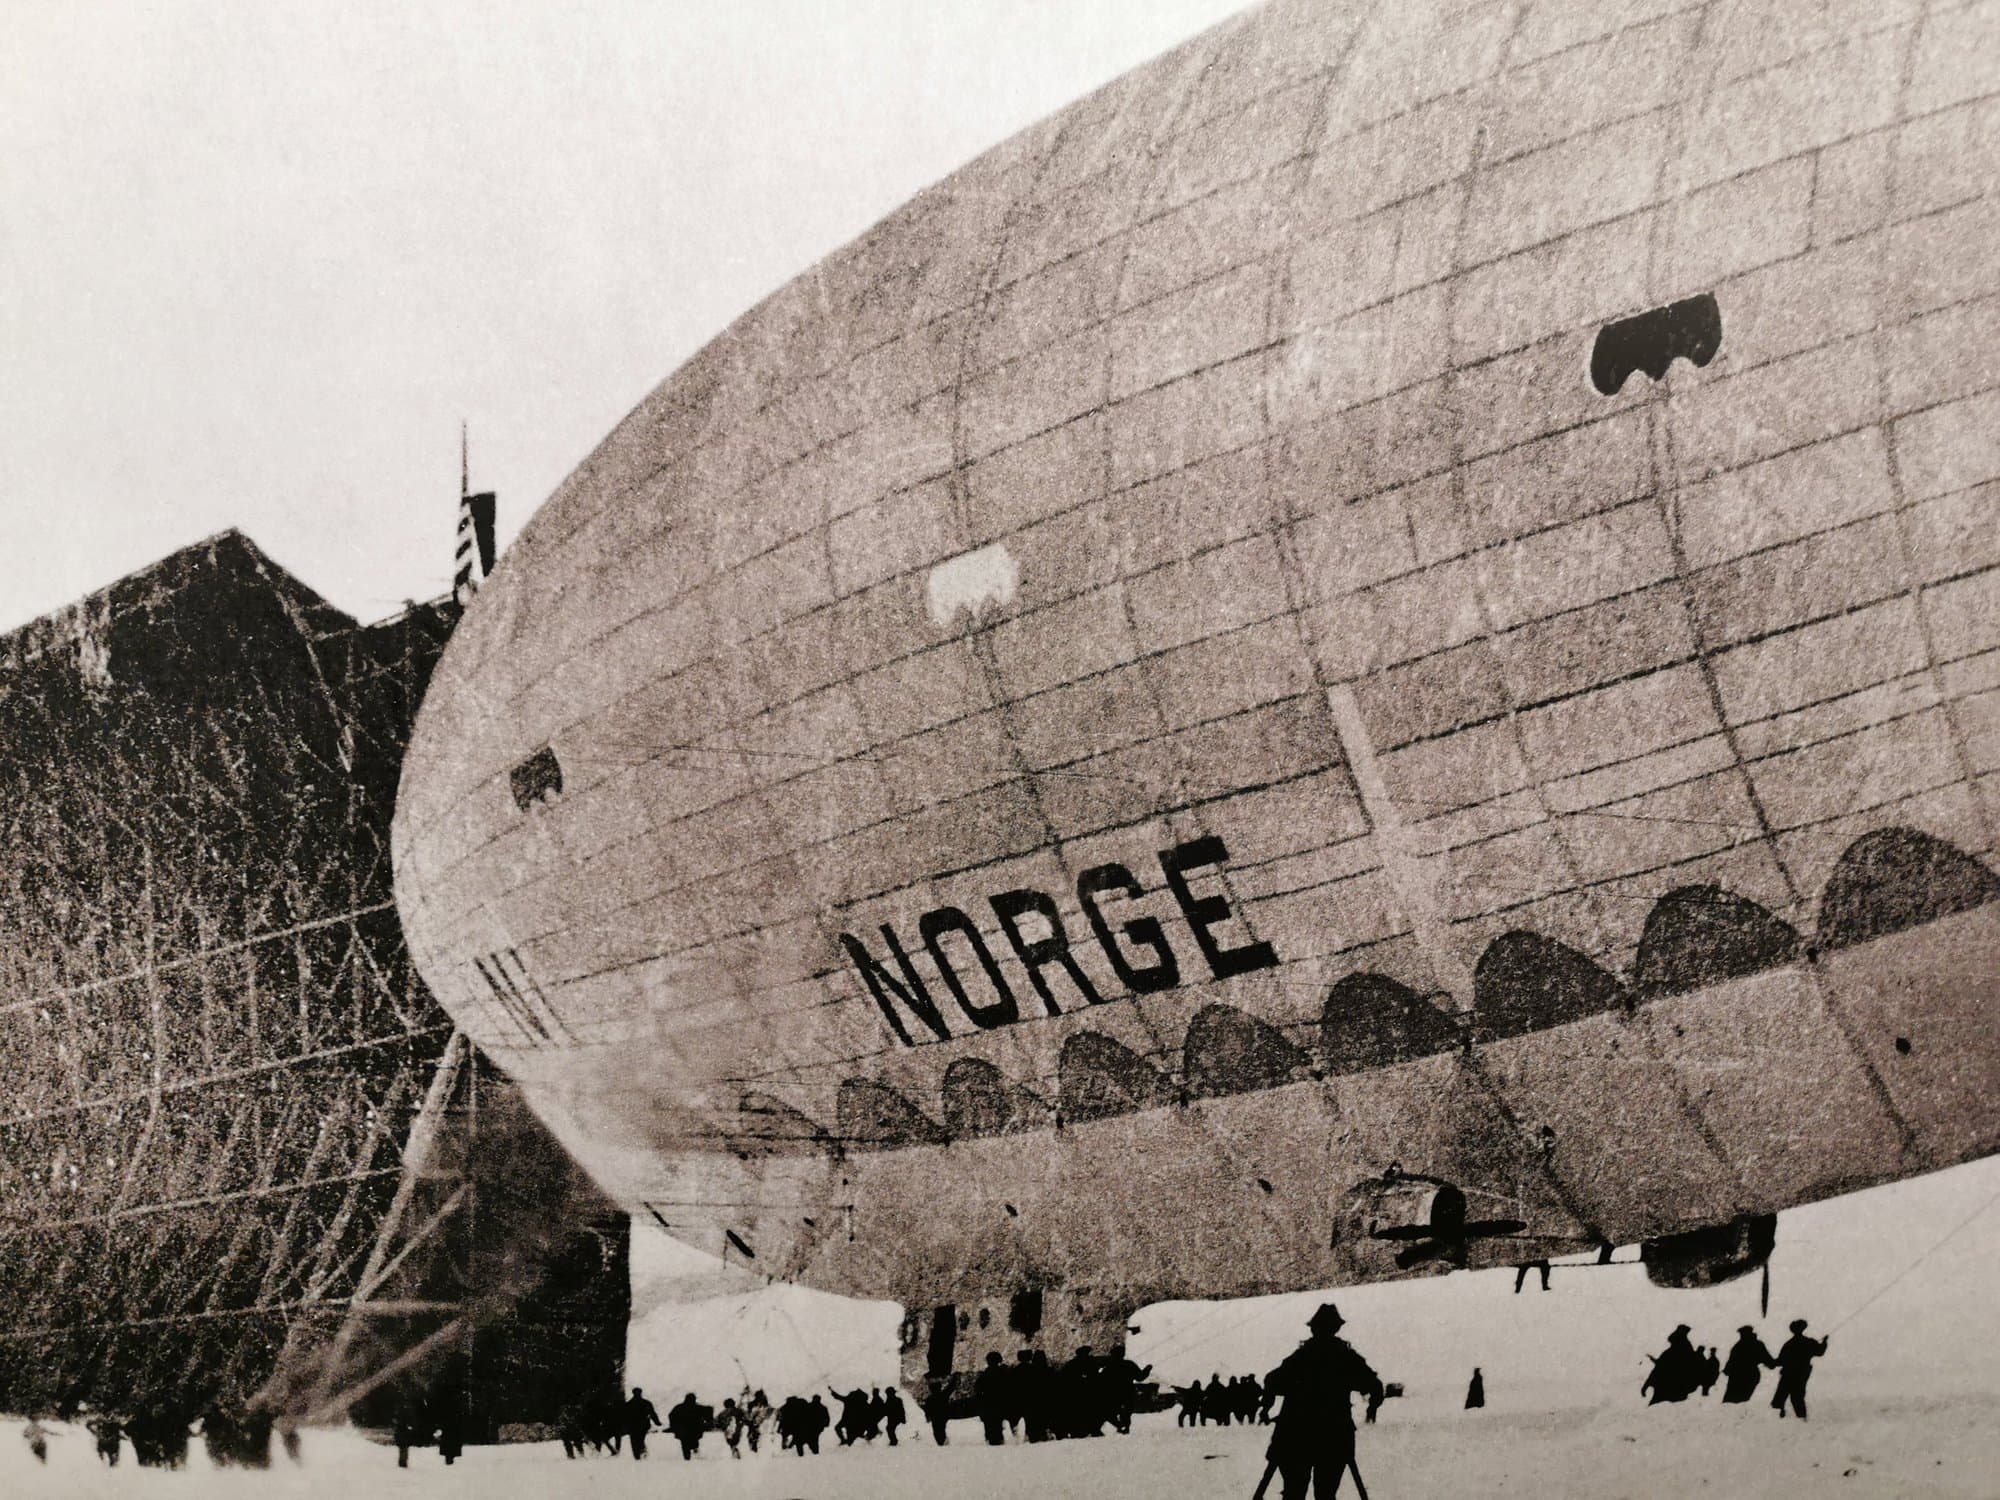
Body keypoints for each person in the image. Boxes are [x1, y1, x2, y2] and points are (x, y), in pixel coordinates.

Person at [1262, 1302, 1384, 1500]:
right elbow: (1375, 1386)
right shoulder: (1347, 1358)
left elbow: (1272, 1380)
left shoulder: (1300, 1357)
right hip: (1333, 1437)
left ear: (1313, 1329)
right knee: (1326, 1493)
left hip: (1295, 1435)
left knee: (1293, 1492)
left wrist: (1267, 1406)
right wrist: (1372, 1406)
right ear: (1336, 1328)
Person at [1771, 1320, 1829, 1420]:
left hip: (1788, 1374)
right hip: (1802, 1374)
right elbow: (1820, 1352)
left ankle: (1781, 1415)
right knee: (1797, 1396)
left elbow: (1780, 1361)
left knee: (1780, 1397)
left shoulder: (1788, 1344)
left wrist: (1770, 1362)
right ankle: (1802, 1418)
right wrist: (1824, 1342)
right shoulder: (1809, 1342)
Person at [1642, 1325, 1704, 1404]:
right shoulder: (1686, 1349)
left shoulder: (1675, 1350)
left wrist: (1646, 1385)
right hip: (1678, 1393)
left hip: (1667, 1390)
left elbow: (1659, 1368)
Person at [1721, 1326, 1776, 1404]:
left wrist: (1726, 1371)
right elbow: (1770, 1362)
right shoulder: (1757, 1344)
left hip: (1738, 1377)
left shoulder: (1738, 1346)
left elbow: (1730, 1363)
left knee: (1732, 1401)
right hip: (1751, 1376)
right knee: (1741, 1401)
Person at [975, 1351, 1009, 1445]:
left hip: (987, 1406)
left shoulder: (984, 1376)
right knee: (998, 1428)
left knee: (989, 1429)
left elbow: (978, 1391)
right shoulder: (1003, 1374)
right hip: (999, 1405)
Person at [667, 1392, 709, 1459]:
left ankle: (687, 1458)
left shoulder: (679, 1407)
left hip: (683, 1430)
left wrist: (673, 1426)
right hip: (695, 1429)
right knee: (694, 1441)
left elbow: (671, 1416)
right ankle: (694, 1450)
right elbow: (708, 1413)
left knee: (685, 1444)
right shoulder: (698, 1408)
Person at [622, 1386, 660, 1460]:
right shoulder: (646, 1403)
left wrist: (624, 1426)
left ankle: (637, 1456)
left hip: (632, 1426)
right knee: (640, 1439)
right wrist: (657, 1422)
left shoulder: (629, 1404)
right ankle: (642, 1451)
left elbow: (624, 1416)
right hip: (643, 1425)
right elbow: (652, 1413)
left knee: (634, 1440)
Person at [921, 1376, 954, 1445]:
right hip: (943, 1415)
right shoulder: (943, 1394)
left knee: (937, 1431)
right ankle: (943, 1442)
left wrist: (928, 1417)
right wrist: (954, 1379)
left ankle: (941, 1442)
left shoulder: (929, 1399)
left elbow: (927, 1409)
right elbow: (951, 1388)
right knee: (941, 1429)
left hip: (935, 1417)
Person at [393, 1401, 427, 1468]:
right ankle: (403, 1462)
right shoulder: (405, 1418)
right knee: (404, 1449)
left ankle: (402, 1462)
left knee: (403, 1449)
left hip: (402, 1436)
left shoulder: (400, 1419)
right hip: (403, 1436)